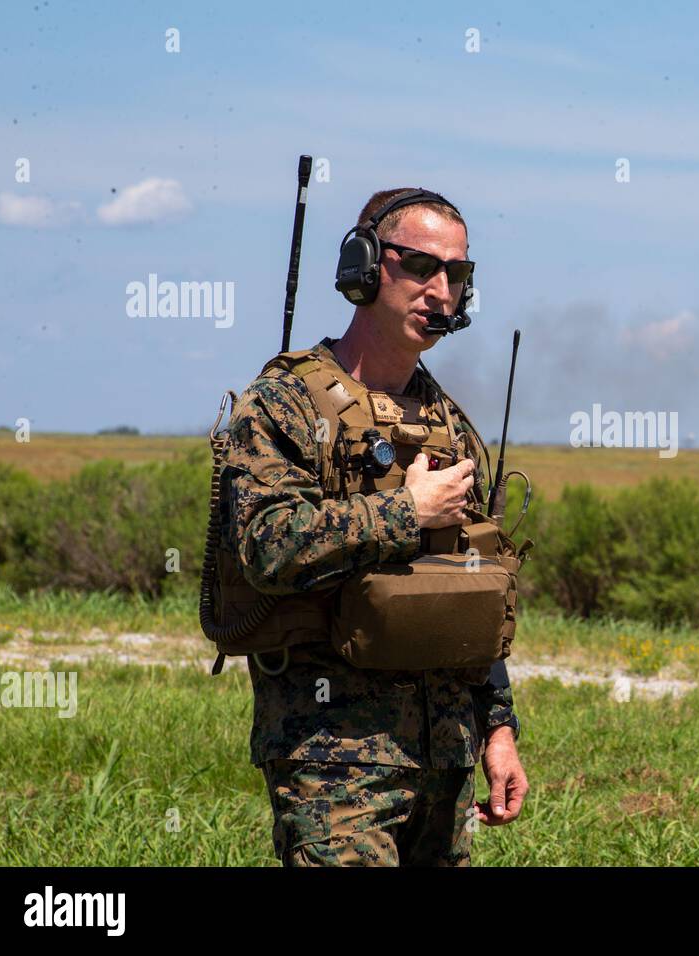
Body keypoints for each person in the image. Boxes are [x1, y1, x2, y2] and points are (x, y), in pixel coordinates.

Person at [219, 187, 528, 866]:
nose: (440, 290)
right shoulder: (286, 402)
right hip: (333, 759)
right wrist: (405, 513)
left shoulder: (448, 421)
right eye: (419, 266)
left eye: (457, 274)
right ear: (364, 265)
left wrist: (497, 731)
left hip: (444, 758)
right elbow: (266, 546)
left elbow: (474, 587)